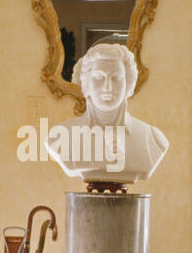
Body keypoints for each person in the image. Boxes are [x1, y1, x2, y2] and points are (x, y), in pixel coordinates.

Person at [45, 42, 168, 185]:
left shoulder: (152, 140)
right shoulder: (59, 137)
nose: (108, 86)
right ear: (86, 85)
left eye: (116, 78)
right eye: (99, 77)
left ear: (128, 85)